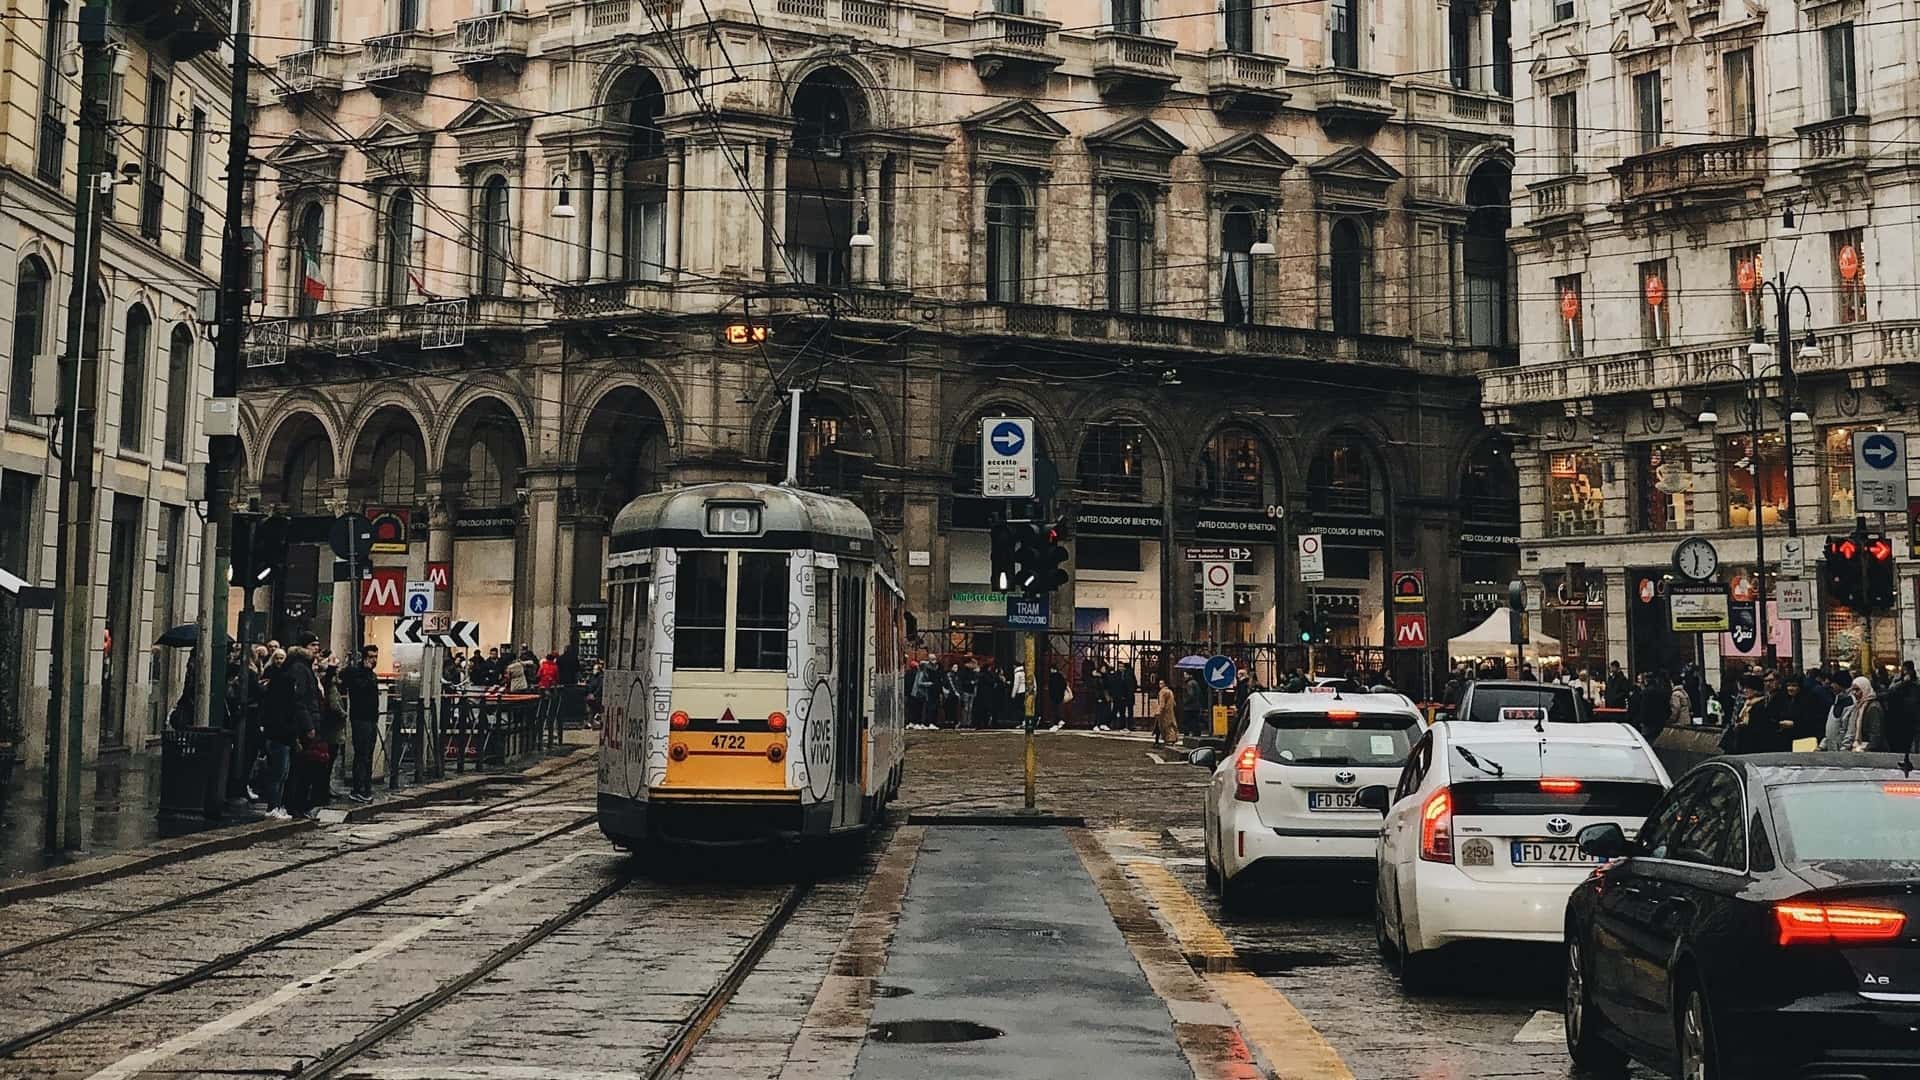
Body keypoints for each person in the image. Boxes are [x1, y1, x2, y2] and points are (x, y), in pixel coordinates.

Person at [261, 644, 321, 820]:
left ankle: (278, 806)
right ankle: (274, 806)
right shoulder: (291, 679)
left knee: (284, 772)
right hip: (281, 735)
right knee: (280, 772)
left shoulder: (291, 676)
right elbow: (294, 708)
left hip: (284, 735)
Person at [340, 644, 383, 803]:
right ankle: (358, 788)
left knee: (368, 754)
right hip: (360, 717)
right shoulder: (358, 673)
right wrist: (363, 670)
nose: (373, 660)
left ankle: (366, 786)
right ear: (364, 657)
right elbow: (358, 689)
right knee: (362, 754)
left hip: (371, 718)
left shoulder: (371, 674)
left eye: (375, 656)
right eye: (371, 656)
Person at [1152, 676, 1179, 746]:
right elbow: (1174, 703)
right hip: (1170, 711)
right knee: (1171, 725)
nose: (1160, 685)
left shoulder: (1162, 692)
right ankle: (1172, 739)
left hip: (1164, 713)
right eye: (1159, 683)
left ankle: (1168, 739)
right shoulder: (1170, 691)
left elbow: (1162, 703)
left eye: (1161, 683)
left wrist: (1159, 711)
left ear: (1164, 684)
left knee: (1164, 726)